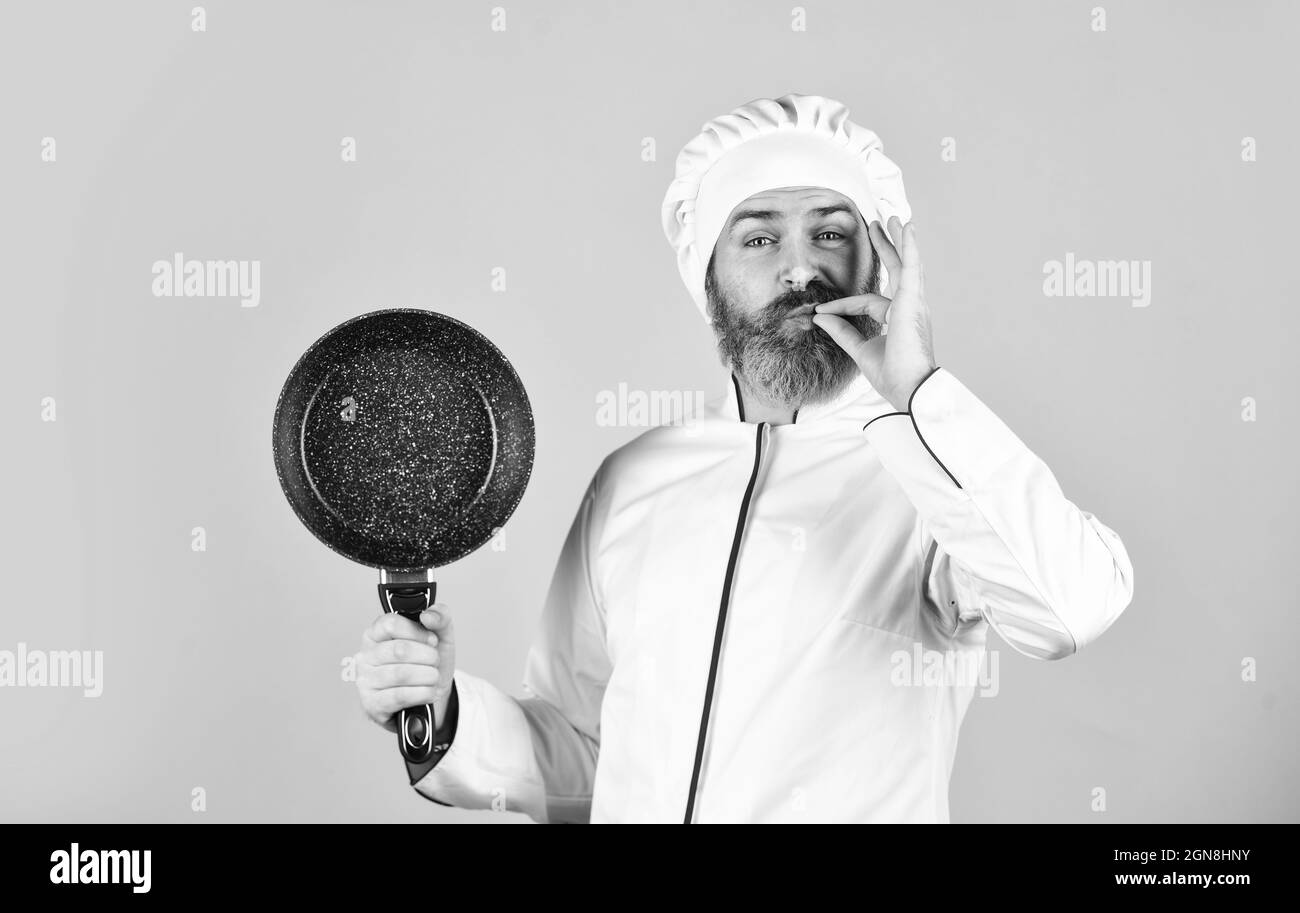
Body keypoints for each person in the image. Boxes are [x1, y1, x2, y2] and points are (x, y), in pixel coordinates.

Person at [353, 93, 1136, 823]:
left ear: (878, 267)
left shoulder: (931, 472)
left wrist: (919, 392)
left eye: (832, 232)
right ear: (709, 278)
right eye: (760, 237)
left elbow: (1070, 606)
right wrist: (447, 711)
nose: (801, 269)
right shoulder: (635, 479)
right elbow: (587, 752)